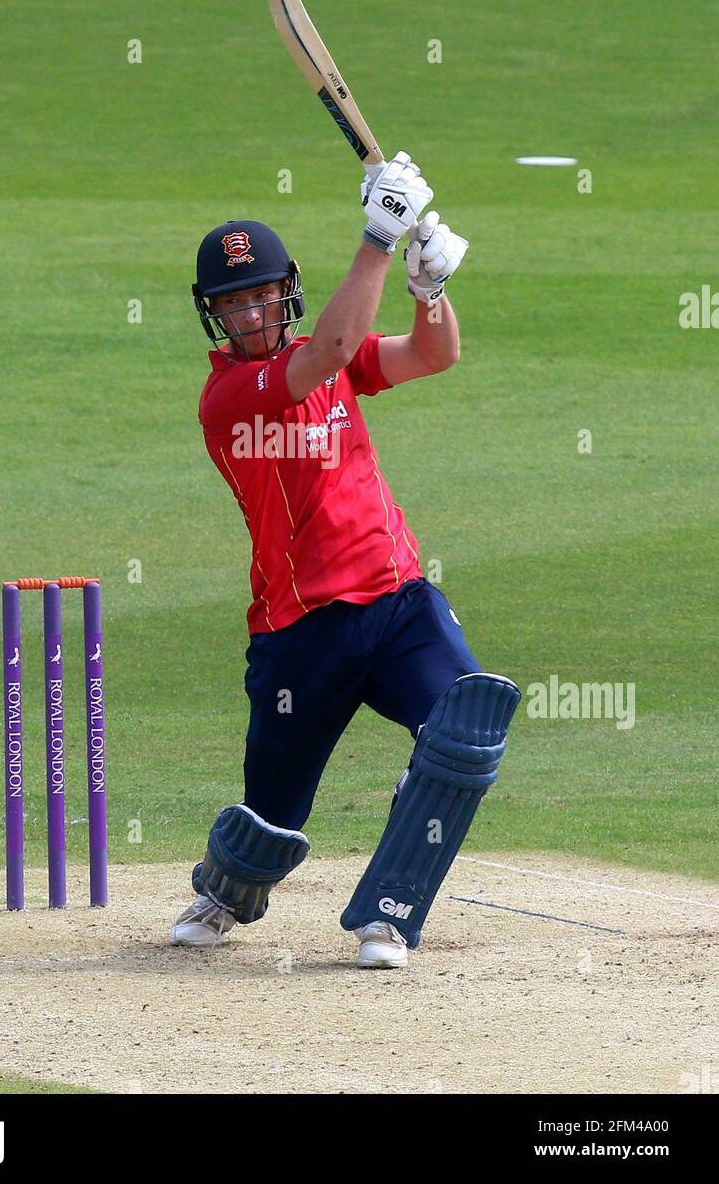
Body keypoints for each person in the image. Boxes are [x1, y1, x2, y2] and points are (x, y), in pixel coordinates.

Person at [170, 152, 519, 969]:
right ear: (213, 315)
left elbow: (432, 357)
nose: (253, 310)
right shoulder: (230, 397)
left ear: (284, 289)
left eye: (262, 292)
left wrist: (430, 290)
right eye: (234, 301)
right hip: (302, 633)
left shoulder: (333, 363)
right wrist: (378, 236)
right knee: (272, 821)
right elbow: (326, 352)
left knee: (463, 735)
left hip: (398, 604)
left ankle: (389, 916)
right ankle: (225, 891)